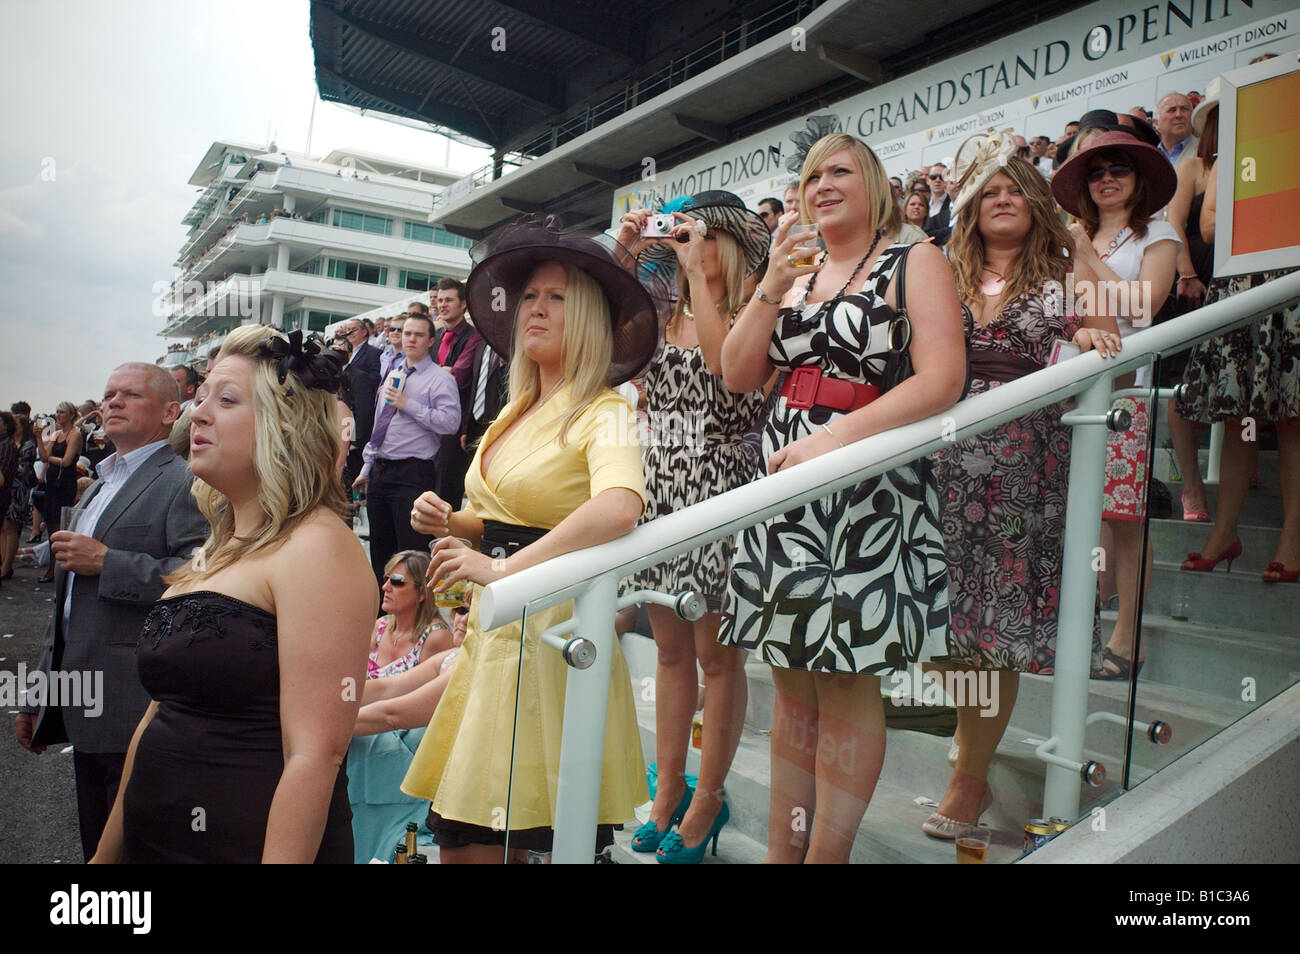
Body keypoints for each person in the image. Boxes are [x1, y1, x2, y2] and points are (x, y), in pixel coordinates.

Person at [720, 133, 967, 863]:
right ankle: (782, 853)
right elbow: (737, 373)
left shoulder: (914, 258)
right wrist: (770, 282)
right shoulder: (793, 272)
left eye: (839, 171)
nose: (822, 183)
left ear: (876, 185)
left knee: (845, 676)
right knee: (790, 680)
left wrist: (836, 440)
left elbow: (942, 379)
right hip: (781, 487)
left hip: (866, 486)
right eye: (809, 175)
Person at [403, 215, 660, 863]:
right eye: (529, 297)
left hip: (550, 638)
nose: (535, 309)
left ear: (593, 320)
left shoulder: (606, 410)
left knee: (484, 839)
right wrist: (451, 522)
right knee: (478, 834)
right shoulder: (512, 412)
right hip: (497, 638)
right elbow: (505, 514)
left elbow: (620, 506)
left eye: (557, 297)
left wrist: (502, 569)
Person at [91, 327, 374, 863]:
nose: (197, 415)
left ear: (283, 425)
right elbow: (158, 716)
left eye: (226, 400)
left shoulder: (318, 547)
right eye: (201, 399)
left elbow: (315, 756)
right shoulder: (216, 548)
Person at [927, 133, 1117, 837]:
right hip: (937, 466)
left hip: (1020, 473)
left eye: (1014, 190)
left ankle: (968, 780)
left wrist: (1084, 251)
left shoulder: (1060, 277)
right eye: (989, 193)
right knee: (940, 627)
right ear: (971, 209)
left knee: (994, 634)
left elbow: (1109, 338)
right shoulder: (943, 273)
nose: (1002, 201)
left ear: (1036, 205)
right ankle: (969, 736)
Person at [615, 191, 769, 862]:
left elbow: (724, 372)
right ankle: (668, 790)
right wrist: (626, 255)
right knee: (672, 654)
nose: (685, 248)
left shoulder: (754, 306)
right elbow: (607, 347)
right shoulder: (664, 308)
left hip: (722, 489)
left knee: (717, 657)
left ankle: (708, 797)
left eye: (698, 236)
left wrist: (703, 276)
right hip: (661, 488)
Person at [16, 363, 208, 861]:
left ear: (170, 412)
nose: (113, 403)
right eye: (108, 394)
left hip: (137, 704)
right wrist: (39, 692)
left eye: (130, 395)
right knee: (96, 844)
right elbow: (67, 606)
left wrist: (110, 563)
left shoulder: (185, 479)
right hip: (83, 702)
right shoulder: (100, 483)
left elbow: (201, 574)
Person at [1053, 129, 1179, 680]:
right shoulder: (1068, 234)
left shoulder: (1159, 231)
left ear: (1139, 179)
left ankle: (1129, 636)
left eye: (1119, 169)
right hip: (1069, 383)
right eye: (1097, 171)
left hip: (1127, 389)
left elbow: (1146, 305)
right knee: (1076, 512)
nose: (1106, 178)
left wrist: (1086, 258)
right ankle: (1078, 627)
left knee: (1124, 518)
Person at [1177, 105, 1299, 586]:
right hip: (1243, 286)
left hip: (1289, 287)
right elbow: (1208, 227)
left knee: (1292, 418)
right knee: (1240, 418)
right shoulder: (1233, 157)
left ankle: (1292, 539)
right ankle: (1225, 532)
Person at [347, 548, 452, 863]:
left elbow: (400, 705)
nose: (385, 587)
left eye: (396, 581)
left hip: (407, 738)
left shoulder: (436, 639)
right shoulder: (379, 628)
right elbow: (376, 688)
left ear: (422, 592)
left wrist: (334, 720)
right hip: (372, 726)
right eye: (385, 580)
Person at [352, 311, 461, 583]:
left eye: (418, 334)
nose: (410, 339)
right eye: (406, 333)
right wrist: (367, 466)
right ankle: (383, 619)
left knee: (411, 555)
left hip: (413, 473)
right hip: (381, 471)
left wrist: (408, 405)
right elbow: (380, 424)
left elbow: (450, 423)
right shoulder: (394, 373)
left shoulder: (440, 379)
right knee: (380, 552)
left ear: (431, 341)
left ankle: (415, 618)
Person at [1164, 80, 1220, 523]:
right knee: (1182, 388)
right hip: (1193, 290)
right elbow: (1174, 223)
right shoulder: (1193, 165)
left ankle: (1236, 459)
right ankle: (1192, 487)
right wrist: (1187, 274)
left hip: (1242, 291)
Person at [430, 278, 482, 509]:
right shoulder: (435, 338)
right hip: (426, 422)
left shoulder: (474, 337)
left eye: (449, 300)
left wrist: (432, 376)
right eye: (440, 300)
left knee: (445, 492)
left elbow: (456, 378)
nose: (442, 305)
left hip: (454, 427)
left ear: (463, 305)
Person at [35, 401, 83, 581]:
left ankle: (58, 570)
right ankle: (53, 568)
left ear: (71, 415)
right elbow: (44, 456)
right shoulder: (56, 434)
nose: (58, 415)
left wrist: (52, 457)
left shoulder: (75, 434)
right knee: (50, 526)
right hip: (52, 483)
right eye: (57, 412)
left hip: (65, 484)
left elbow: (67, 461)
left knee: (60, 526)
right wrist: (40, 438)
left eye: (62, 412)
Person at [338, 318, 382, 491]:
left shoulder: (373, 353)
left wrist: (357, 437)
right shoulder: (338, 368)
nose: (349, 333)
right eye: (346, 330)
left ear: (365, 331)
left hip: (357, 422)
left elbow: (366, 403)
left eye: (353, 329)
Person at [2, 412, 37, 583]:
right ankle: (3, 562)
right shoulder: (11, 443)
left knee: (11, 527)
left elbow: (24, 470)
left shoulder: (28, 445)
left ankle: (7, 565)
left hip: (18, 489)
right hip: (9, 488)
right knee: (4, 527)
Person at [1154, 92, 1198, 168]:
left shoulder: (1205, 150)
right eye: (1172, 110)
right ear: (1156, 124)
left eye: (1184, 109)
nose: (1179, 115)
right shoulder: (1149, 157)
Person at [923, 162, 953, 246]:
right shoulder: (922, 204)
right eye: (933, 177)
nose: (937, 180)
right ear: (928, 180)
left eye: (942, 177)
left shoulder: (953, 203)